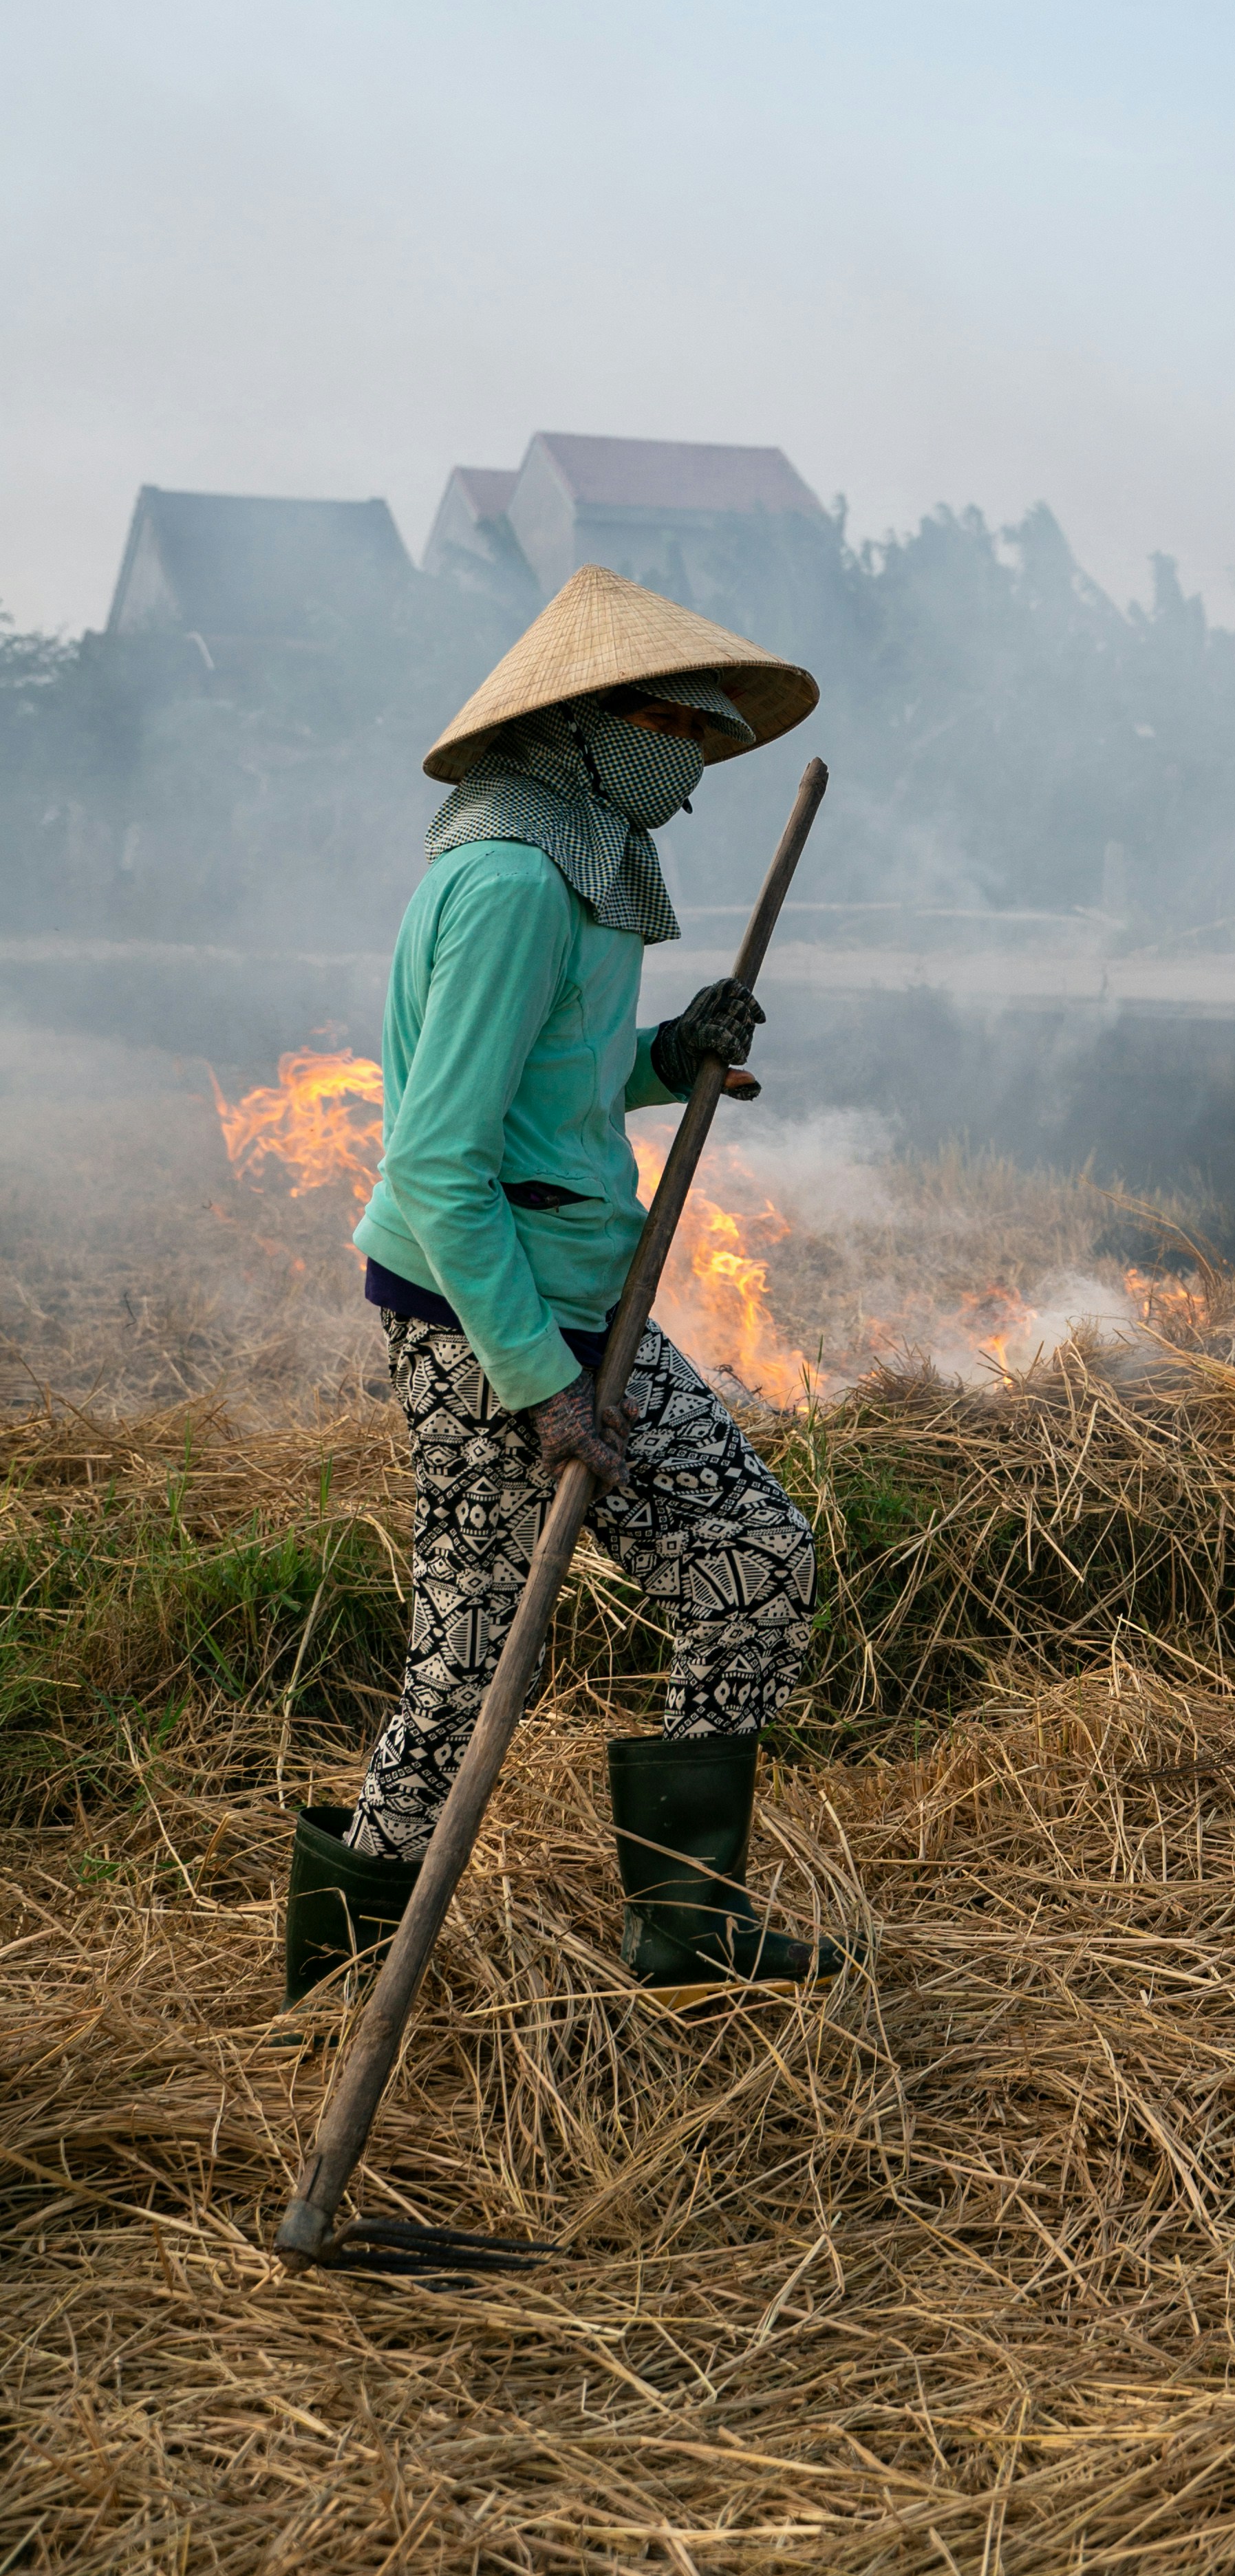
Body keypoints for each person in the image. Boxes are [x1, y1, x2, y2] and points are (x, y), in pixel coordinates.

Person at [281, 564, 851, 2006]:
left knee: (719, 1571)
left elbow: (558, 1100)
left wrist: (676, 1054)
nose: (697, 769)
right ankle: (347, 1975)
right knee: (485, 1649)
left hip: (570, 1294)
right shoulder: (512, 885)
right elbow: (439, 1166)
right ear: (595, 720)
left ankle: (681, 1926)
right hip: (494, 1324)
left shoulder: (573, 863)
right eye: (679, 728)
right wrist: (541, 1387)